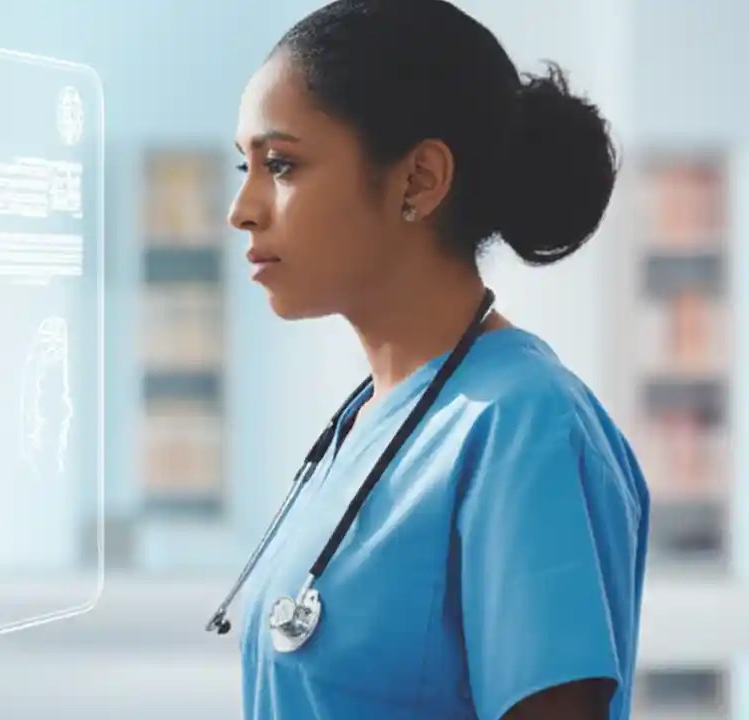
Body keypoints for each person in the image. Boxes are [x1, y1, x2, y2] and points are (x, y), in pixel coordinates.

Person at [227, 1, 649, 719]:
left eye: (283, 165)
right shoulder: (361, 427)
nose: (242, 207)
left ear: (418, 180)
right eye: (247, 166)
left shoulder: (523, 426)